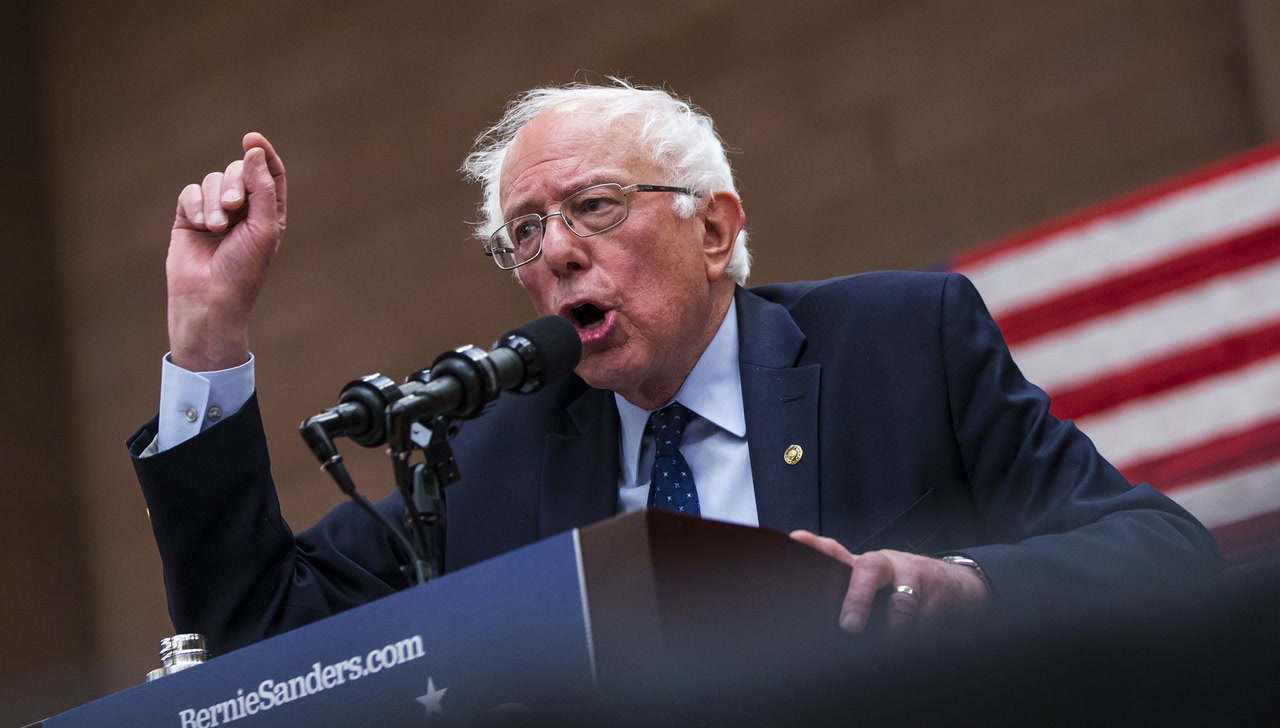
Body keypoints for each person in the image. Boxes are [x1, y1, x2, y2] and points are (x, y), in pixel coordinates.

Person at [129, 81, 1220, 655]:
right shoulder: (479, 450)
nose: (553, 250)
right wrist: (205, 328)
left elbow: (1163, 550)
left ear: (713, 230)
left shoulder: (903, 344)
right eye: (523, 233)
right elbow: (256, 626)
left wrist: (972, 588)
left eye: (593, 207)